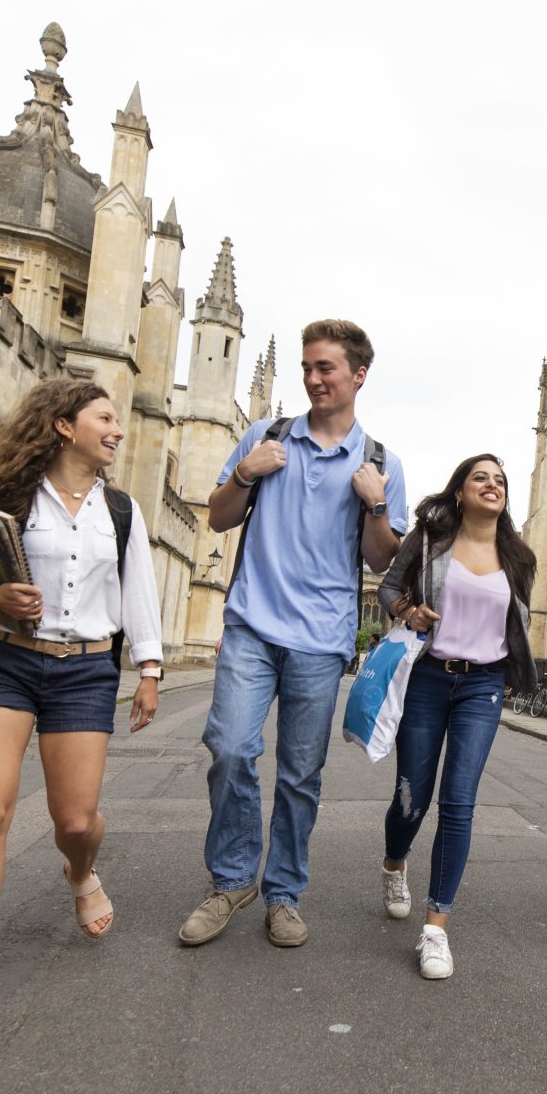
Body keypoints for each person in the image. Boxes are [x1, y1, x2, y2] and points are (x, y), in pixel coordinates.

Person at [0, 379, 164, 1025]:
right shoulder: (6, 497)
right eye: (105, 417)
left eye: (117, 419)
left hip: (84, 671)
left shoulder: (121, 510)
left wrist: (149, 667)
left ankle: (80, 872)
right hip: (3, 660)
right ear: (63, 425)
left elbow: (137, 587)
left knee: (77, 821)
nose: (116, 428)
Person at [180, 319, 407, 951]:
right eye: (307, 367)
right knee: (229, 747)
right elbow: (219, 518)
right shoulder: (266, 437)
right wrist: (246, 474)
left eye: (325, 368)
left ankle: (283, 892)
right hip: (252, 626)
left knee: (300, 774)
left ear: (358, 375)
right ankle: (231, 880)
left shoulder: (380, 463)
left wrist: (377, 505)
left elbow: (383, 561)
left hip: (320, 640)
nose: (312, 379)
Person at [375, 454, 538, 978]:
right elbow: (385, 588)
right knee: (411, 799)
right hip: (427, 677)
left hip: (483, 685)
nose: (493, 485)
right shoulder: (429, 540)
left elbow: (518, 621)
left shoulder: (519, 557)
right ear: (461, 491)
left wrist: (512, 671)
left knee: (459, 803)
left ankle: (435, 929)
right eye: (481, 477)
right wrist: (408, 611)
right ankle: (394, 863)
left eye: (501, 480)